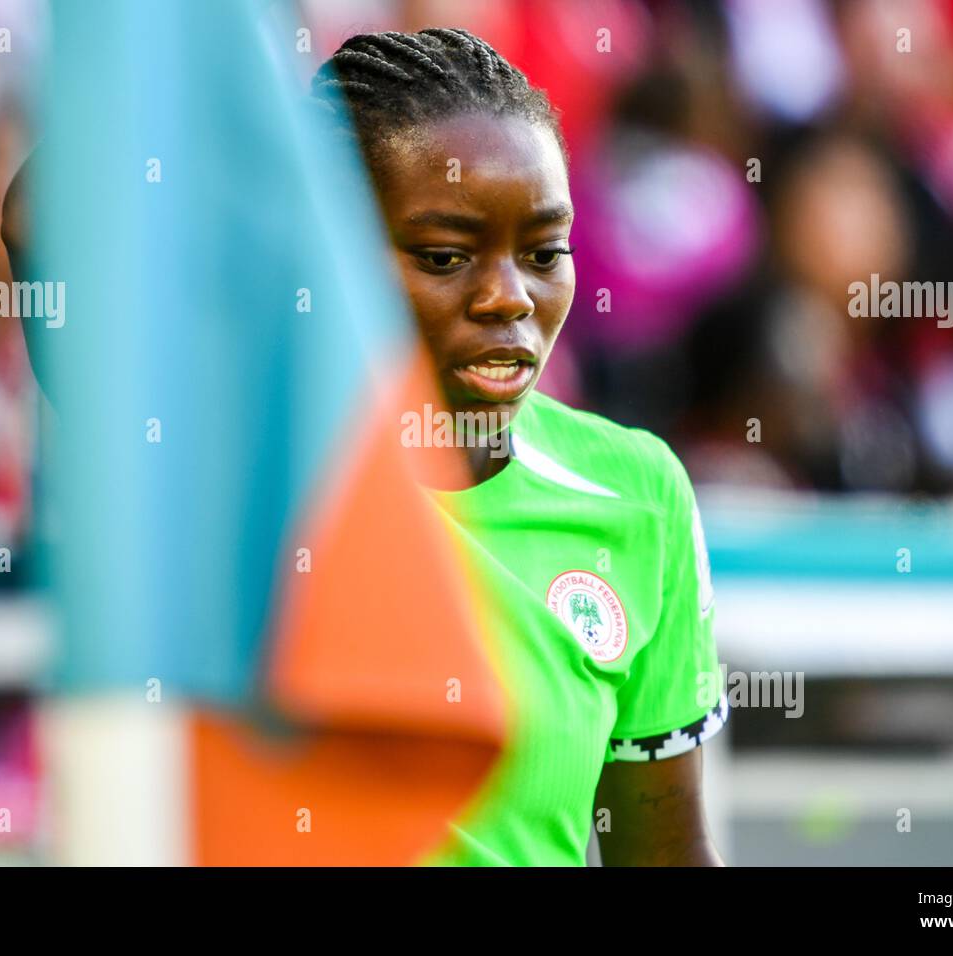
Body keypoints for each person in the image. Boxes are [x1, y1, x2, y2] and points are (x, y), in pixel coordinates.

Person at [310, 28, 728, 866]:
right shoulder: (243, 467)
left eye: (544, 253)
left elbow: (665, 855)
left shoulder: (636, 491)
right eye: (444, 255)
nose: (508, 298)